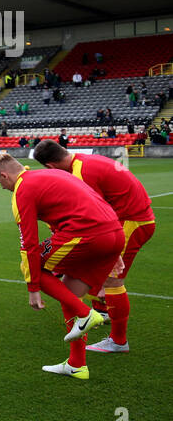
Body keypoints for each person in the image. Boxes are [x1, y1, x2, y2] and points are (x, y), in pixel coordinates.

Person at [0, 152, 124, 380]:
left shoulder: (23, 189)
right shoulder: (53, 174)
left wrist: (33, 288)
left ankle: (85, 314)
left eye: (0, 182)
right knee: (68, 293)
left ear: (4, 175)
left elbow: (28, 243)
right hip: (113, 233)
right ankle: (77, 364)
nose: (2, 188)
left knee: (30, 265)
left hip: (88, 234)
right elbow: (96, 201)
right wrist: (114, 247)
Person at [31, 140, 156, 353]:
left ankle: (118, 341)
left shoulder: (81, 174)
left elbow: (92, 213)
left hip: (129, 222)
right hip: (130, 219)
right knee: (94, 267)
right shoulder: (84, 162)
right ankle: (103, 310)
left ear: (50, 166)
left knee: (112, 280)